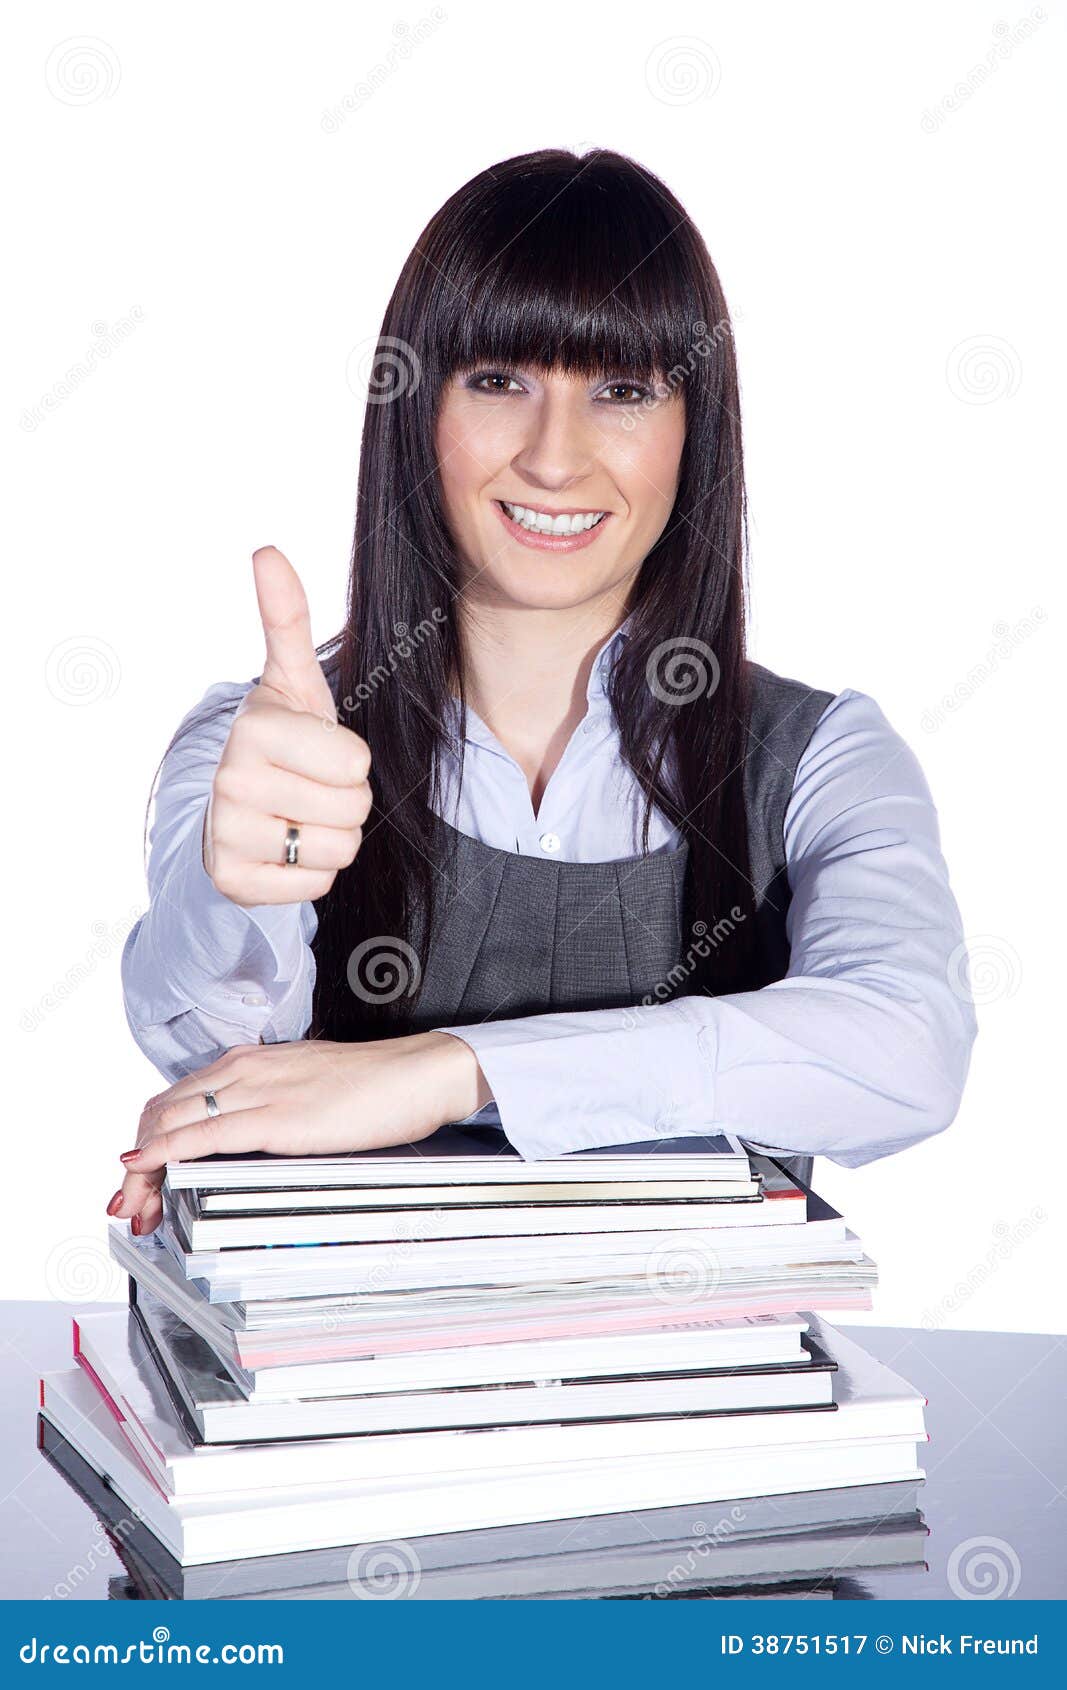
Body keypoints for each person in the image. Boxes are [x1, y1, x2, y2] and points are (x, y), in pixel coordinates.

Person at [111, 148, 977, 1237]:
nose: (553, 459)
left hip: (702, 1389)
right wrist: (241, 889)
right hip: (346, 1382)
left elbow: (907, 1047)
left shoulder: (821, 760)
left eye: (620, 390)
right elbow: (214, 1067)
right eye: (498, 380)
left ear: (692, 430)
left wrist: (451, 1069)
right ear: (415, 410)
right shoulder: (277, 745)